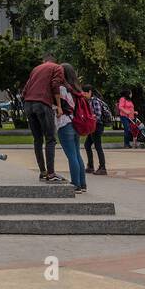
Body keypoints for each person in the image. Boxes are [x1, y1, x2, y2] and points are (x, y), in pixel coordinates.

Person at [21, 54, 66, 182]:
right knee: (50, 138)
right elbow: (55, 85)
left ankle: (43, 171)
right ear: (54, 61)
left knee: (37, 140)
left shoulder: (36, 69)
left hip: (29, 105)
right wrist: (58, 106)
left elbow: (25, 90)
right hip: (42, 103)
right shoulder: (57, 68)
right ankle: (51, 174)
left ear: (43, 61)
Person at [55, 64, 88, 193]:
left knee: (71, 155)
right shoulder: (77, 89)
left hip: (65, 123)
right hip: (75, 123)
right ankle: (82, 183)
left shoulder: (62, 89)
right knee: (76, 154)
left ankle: (75, 184)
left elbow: (59, 106)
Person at [84, 90, 109, 175]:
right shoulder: (90, 101)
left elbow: (98, 115)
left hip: (97, 126)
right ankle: (90, 166)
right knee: (87, 144)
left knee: (98, 146)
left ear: (90, 92)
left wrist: (90, 119)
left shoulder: (95, 101)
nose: (84, 95)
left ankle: (102, 167)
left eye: (85, 93)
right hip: (94, 126)